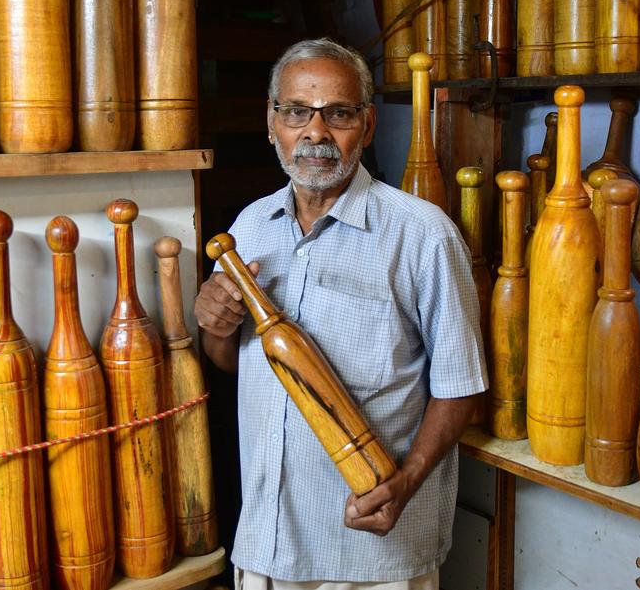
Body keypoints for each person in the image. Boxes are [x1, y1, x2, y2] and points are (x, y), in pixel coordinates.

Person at [194, 37, 487, 590]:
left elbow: (460, 388)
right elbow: (236, 362)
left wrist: (407, 480)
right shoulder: (249, 227)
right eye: (296, 112)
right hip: (265, 542)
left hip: (369, 553)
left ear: (367, 125)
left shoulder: (422, 236)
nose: (315, 133)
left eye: (339, 114)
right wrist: (215, 326)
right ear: (272, 123)